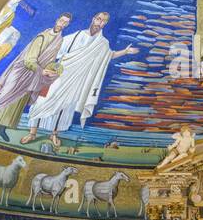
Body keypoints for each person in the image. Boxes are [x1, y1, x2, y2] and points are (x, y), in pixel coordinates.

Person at [22, 12, 138, 146]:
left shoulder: (102, 43)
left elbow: (108, 55)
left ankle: (54, 134)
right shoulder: (76, 35)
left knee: (65, 106)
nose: (100, 23)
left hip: (77, 80)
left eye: (103, 21)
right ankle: (32, 132)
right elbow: (57, 49)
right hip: (59, 75)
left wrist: (125, 52)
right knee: (42, 101)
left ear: (105, 24)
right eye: (98, 19)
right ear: (93, 18)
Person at [0, 14, 71, 136]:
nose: (62, 24)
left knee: (18, 102)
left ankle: (2, 129)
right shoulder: (43, 36)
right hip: (22, 70)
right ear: (57, 20)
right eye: (62, 21)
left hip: (34, 76)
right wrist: (41, 70)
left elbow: (50, 60)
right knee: (5, 94)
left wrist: (53, 69)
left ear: (67, 25)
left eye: (65, 23)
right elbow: (29, 60)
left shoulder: (59, 40)